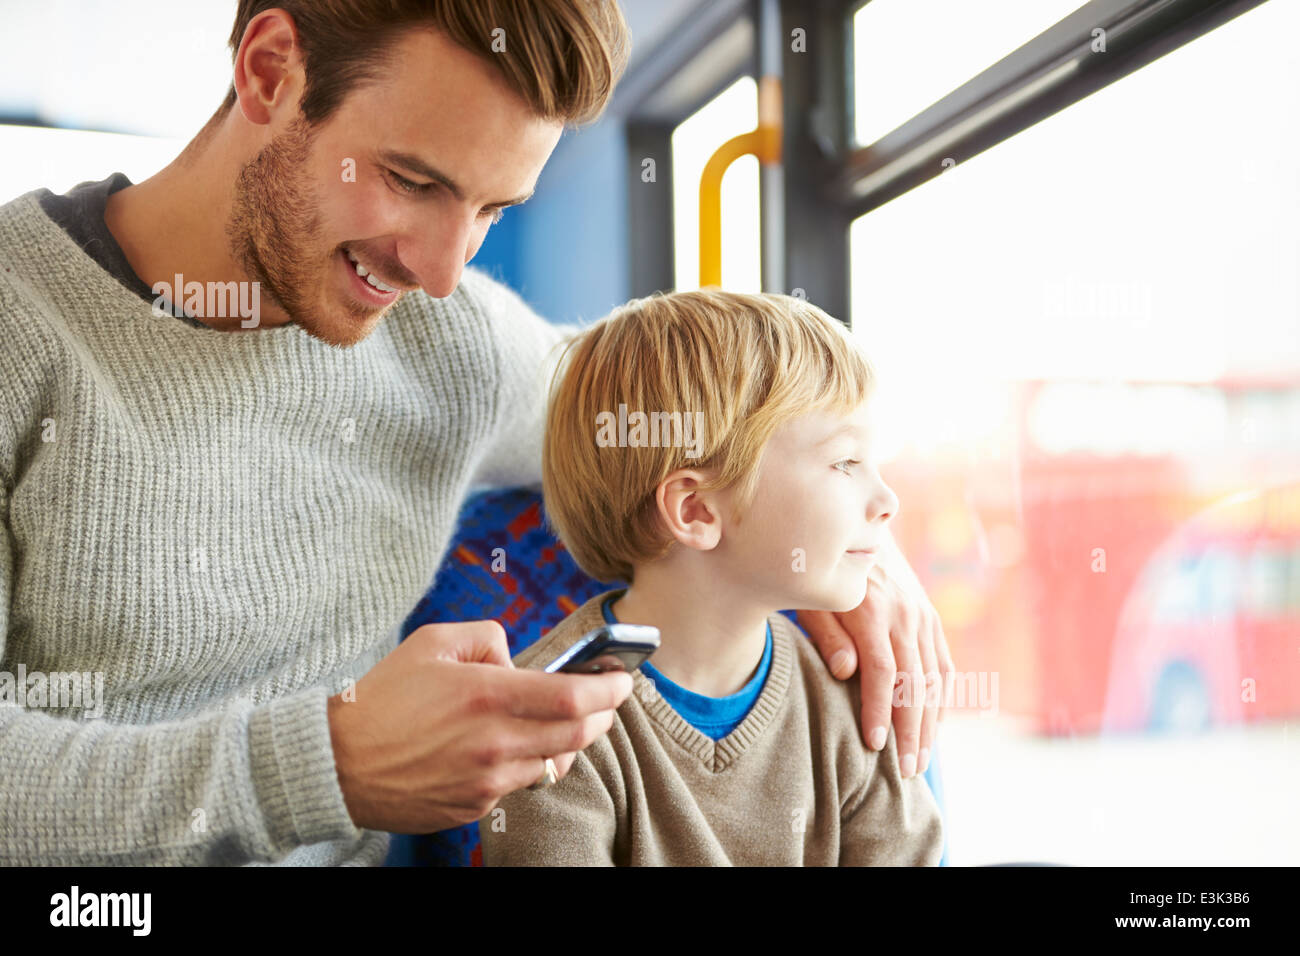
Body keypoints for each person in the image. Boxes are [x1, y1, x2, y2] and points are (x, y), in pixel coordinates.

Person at [0, 0, 950, 866]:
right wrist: (323, 765)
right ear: (270, 69)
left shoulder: (448, 341)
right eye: (413, 181)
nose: (444, 270)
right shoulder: (19, 330)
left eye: (493, 210)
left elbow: (703, 420)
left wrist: (855, 537)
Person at [478, 290, 942, 865]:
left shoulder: (848, 695)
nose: (887, 500)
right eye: (845, 462)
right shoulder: (555, 721)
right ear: (696, 510)